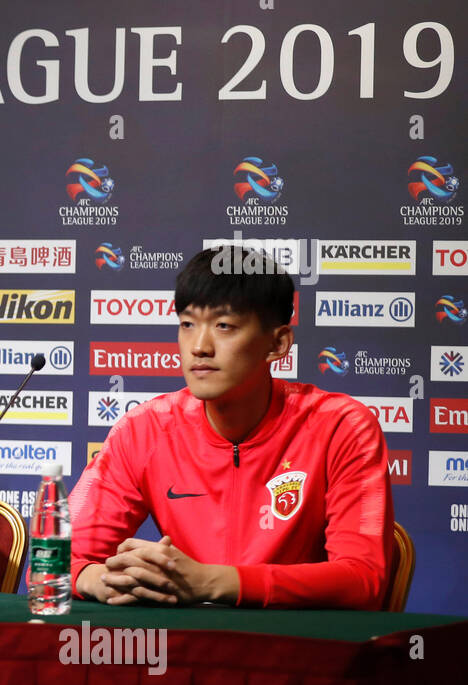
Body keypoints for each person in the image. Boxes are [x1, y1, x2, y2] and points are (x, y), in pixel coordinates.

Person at [69, 246, 394, 610]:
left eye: (224, 326)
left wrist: (210, 582)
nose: (199, 347)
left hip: (295, 649)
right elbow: (59, 556)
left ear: (277, 343)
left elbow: (363, 579)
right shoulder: (143, 429)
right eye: (187, 325)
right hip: (182, 652)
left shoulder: (341, 425)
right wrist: (109, 579)